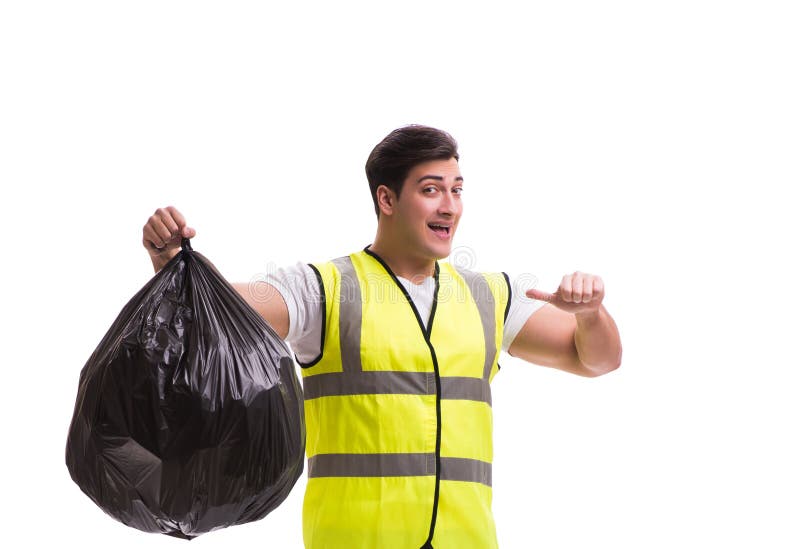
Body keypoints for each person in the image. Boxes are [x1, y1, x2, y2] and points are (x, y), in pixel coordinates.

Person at [142, 125, 622, 549]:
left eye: (457, 190)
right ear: (387, 200)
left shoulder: (490, 297)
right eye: (431, 190)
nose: (450, 205)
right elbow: (221, 309)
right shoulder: (325, 289)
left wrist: (591, 314)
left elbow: (597, 360)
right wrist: (172, 264)